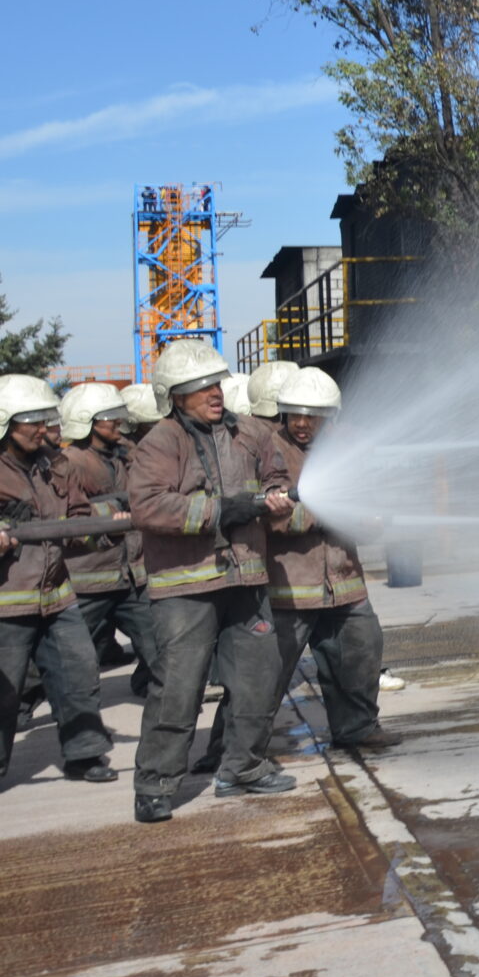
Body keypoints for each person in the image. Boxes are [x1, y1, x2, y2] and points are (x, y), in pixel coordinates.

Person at [127, 340, 295, 823]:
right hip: (186, 587)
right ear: (175, 396)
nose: (213, 392)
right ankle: (156, 785)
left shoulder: (250, 432)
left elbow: (273, 477)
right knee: (178, 686)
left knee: (259, 678)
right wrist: (221, 510)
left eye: (216, 383)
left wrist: (273, 498)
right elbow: (149, 505)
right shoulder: (160, 442)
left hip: (245, 577)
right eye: (199, 387)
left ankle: (244, 768)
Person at [265, 368, 398, 751]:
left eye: (313, 415)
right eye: (295, 414)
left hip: (344, 578)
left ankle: (358, 728)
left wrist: (371, 521)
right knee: (266, 676)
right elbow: (267, 515)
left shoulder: (349, 447)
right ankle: (240, 750)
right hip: (290, 586)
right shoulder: (267, 449)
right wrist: (324, 514)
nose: (303, 423)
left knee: (361, 653)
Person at [0, 375, 117, 784]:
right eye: (29, 419)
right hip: (8, 601)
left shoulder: (54, 464)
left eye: (44, 418)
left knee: (78, 674)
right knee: (5, 690)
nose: (41, 428)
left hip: (57, 593)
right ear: (4, 424)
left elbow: (78, 517)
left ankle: (84, 755)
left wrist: (104, 528)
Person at [53, 383, 159, 695]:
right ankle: (20, 704)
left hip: (130, 578)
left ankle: (158, 693)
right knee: (64, 658)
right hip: (87, 581)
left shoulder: (126, 457)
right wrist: (107, 515)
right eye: (109, 417)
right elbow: (63, 517)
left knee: (160, 645)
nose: (118, 422)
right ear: (87, 421)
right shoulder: (68, 463)